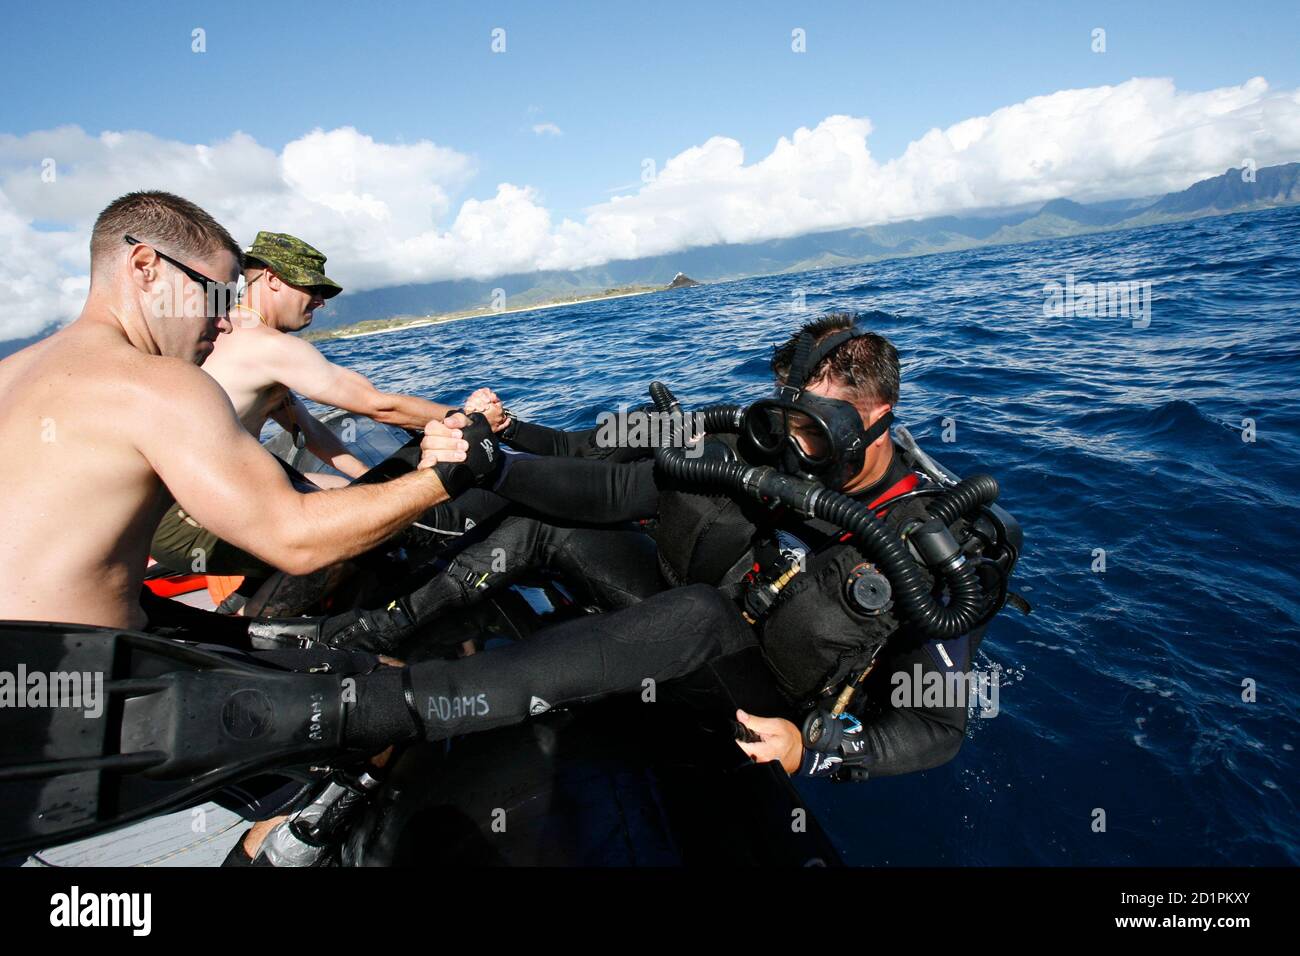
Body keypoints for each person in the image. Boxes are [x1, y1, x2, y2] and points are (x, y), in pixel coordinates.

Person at [319, 314, 1019, 781]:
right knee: (555, 525)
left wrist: (813, 749)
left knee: (700, 616)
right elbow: (608, 489)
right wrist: (495, 464)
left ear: (876, 420)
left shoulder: (938, 546)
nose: (795, 452)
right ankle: (379, 629)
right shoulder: (758, 450)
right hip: (674, 630)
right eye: (786, 421)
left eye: (816, 433)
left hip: (755, 704)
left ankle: (399, 707)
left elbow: (936, 725)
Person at [149, 230, 507, 609]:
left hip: (198, 498)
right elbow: (378, 406)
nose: (320, 301)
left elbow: (313, 434)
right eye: (311, 288)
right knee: (350, 537)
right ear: (271, 278)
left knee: (341, 495)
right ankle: (263, 636)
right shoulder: (266, 344)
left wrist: (366, 486)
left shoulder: (238, 335)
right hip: (184, 520)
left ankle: (253, 604)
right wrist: (465, 418)